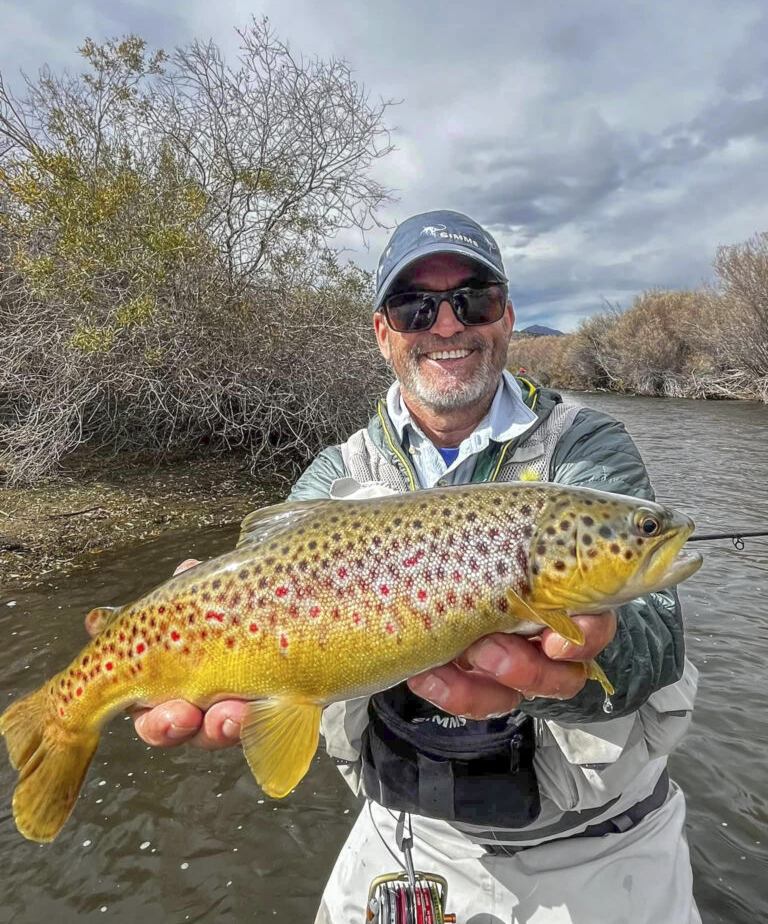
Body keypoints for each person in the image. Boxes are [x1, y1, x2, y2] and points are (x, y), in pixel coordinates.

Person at [129, 211, 701, 923]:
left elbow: (658, 632)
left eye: (474, 299)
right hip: (404, 837)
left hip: (600, 850)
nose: (448, 324)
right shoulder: (337, 473)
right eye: (414, 305)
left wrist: (578, 664)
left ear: (507, 318)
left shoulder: (583, 449)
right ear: (383, 332)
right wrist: (196, 615)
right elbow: (262, 581)